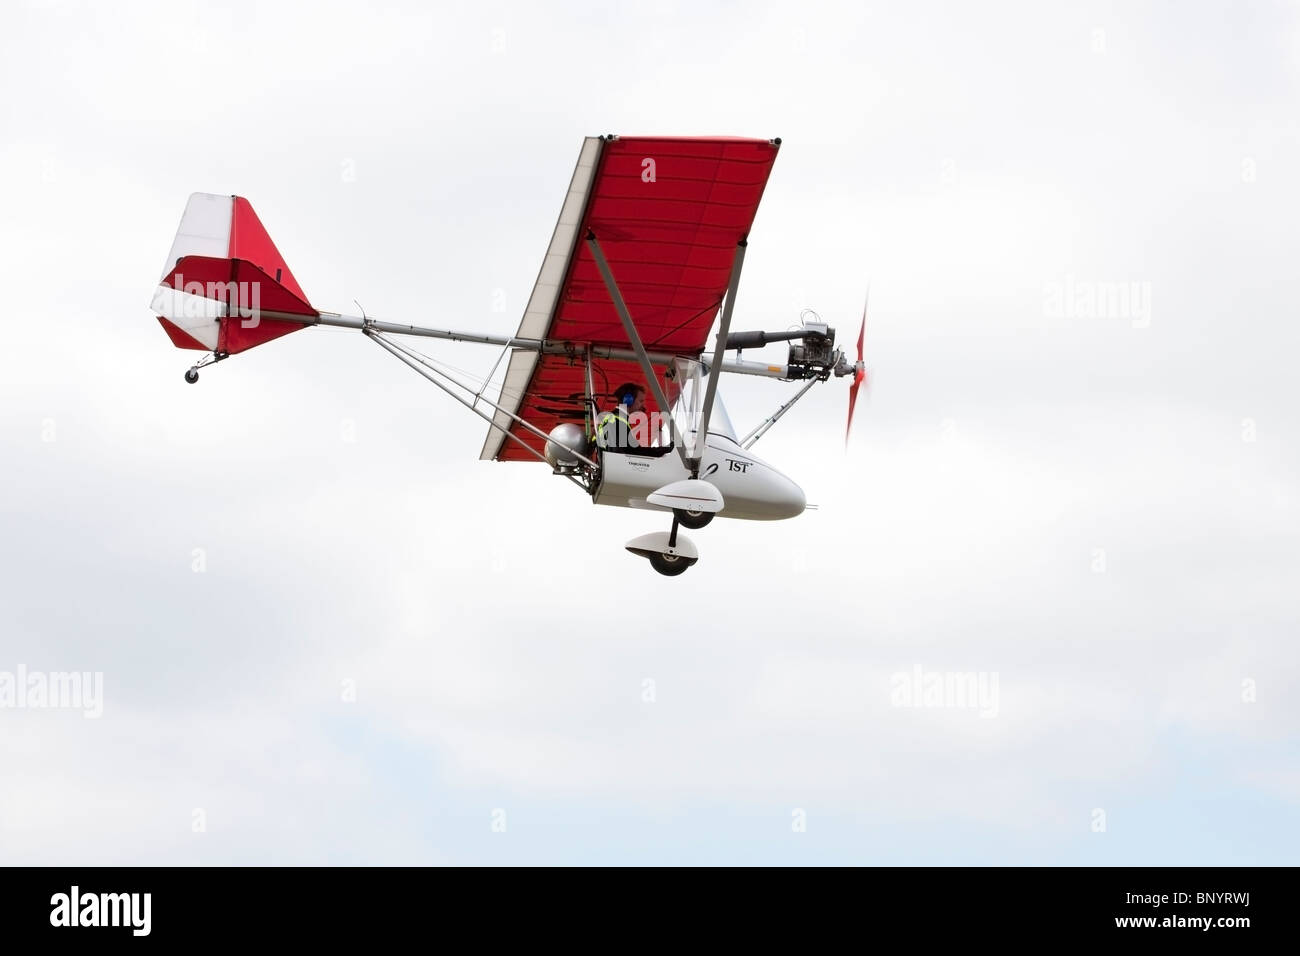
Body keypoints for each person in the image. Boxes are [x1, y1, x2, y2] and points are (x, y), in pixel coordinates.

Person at [595, 382, 646, 450]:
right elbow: (635, 451)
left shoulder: (615, 418)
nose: (643, 405)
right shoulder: (617, 421)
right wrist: (662, 450)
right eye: (641, 401)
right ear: (628, 400)